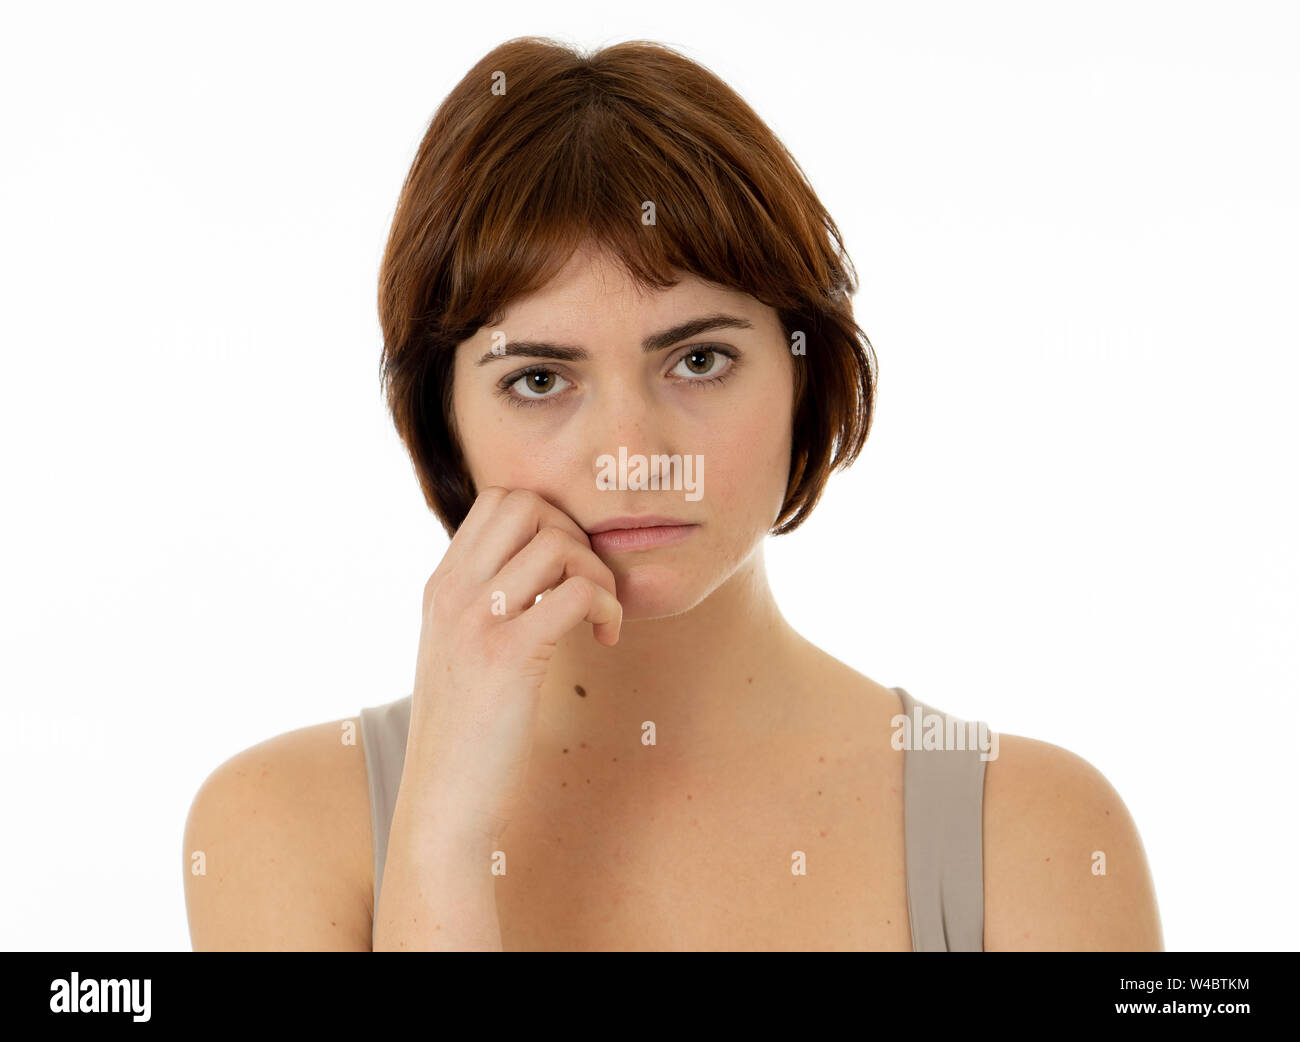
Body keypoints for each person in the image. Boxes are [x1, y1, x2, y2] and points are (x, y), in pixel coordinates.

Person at [183, 36, 1163, 951]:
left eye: (697, 359)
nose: (630, 453)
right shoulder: (279, 826)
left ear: (802, 375)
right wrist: (439, 837)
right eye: (539, 379)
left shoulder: (1036, 834)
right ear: (443, 422)